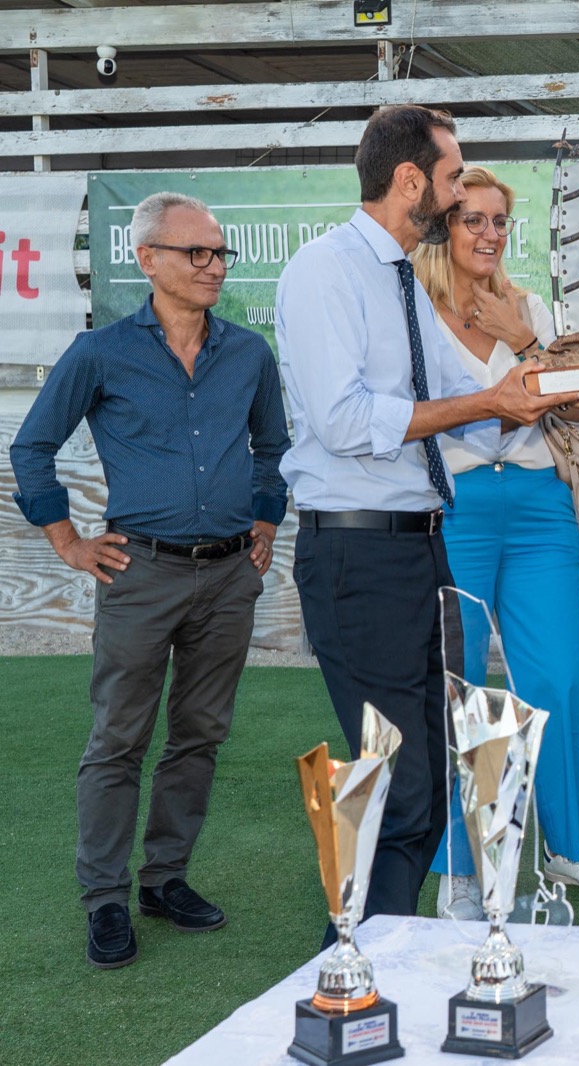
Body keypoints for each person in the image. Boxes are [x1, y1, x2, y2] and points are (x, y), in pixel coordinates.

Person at [275, 105, 577, 931]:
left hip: (420, 553)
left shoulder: (404, 276)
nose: (457, 197)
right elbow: (345, 422)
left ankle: (378, 954)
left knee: (428, 782)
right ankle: (354, 961)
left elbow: (476, 407)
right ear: (410, 181)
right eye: (451, 180)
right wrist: (490, 398)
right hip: (357, 555)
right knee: (403, 784)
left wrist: (561, 388)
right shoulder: (324, 270)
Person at [10, 192, 289, 969]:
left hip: (231, 575)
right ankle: (103, 898)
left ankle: (165, 879)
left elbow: (273, 444)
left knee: (199, 734)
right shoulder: (100, 353)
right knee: (118, 741)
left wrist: (266, 517)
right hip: (141, 575)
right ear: (148, 260)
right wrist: (66, 539)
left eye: (219, 252)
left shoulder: (249, 353)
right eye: (195, 252)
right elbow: (31, 448)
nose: (212, 266)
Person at [412, 164, 579, 916]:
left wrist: (531, 336)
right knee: (459, 685)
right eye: (473, 218)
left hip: (541, 504)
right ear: (442, 223)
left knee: (563, 674)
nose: (489, 233)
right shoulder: (409, 305)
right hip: (458, 506)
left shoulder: (530, 302)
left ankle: (566, 851)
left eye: (500, 220)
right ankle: (462, 867)